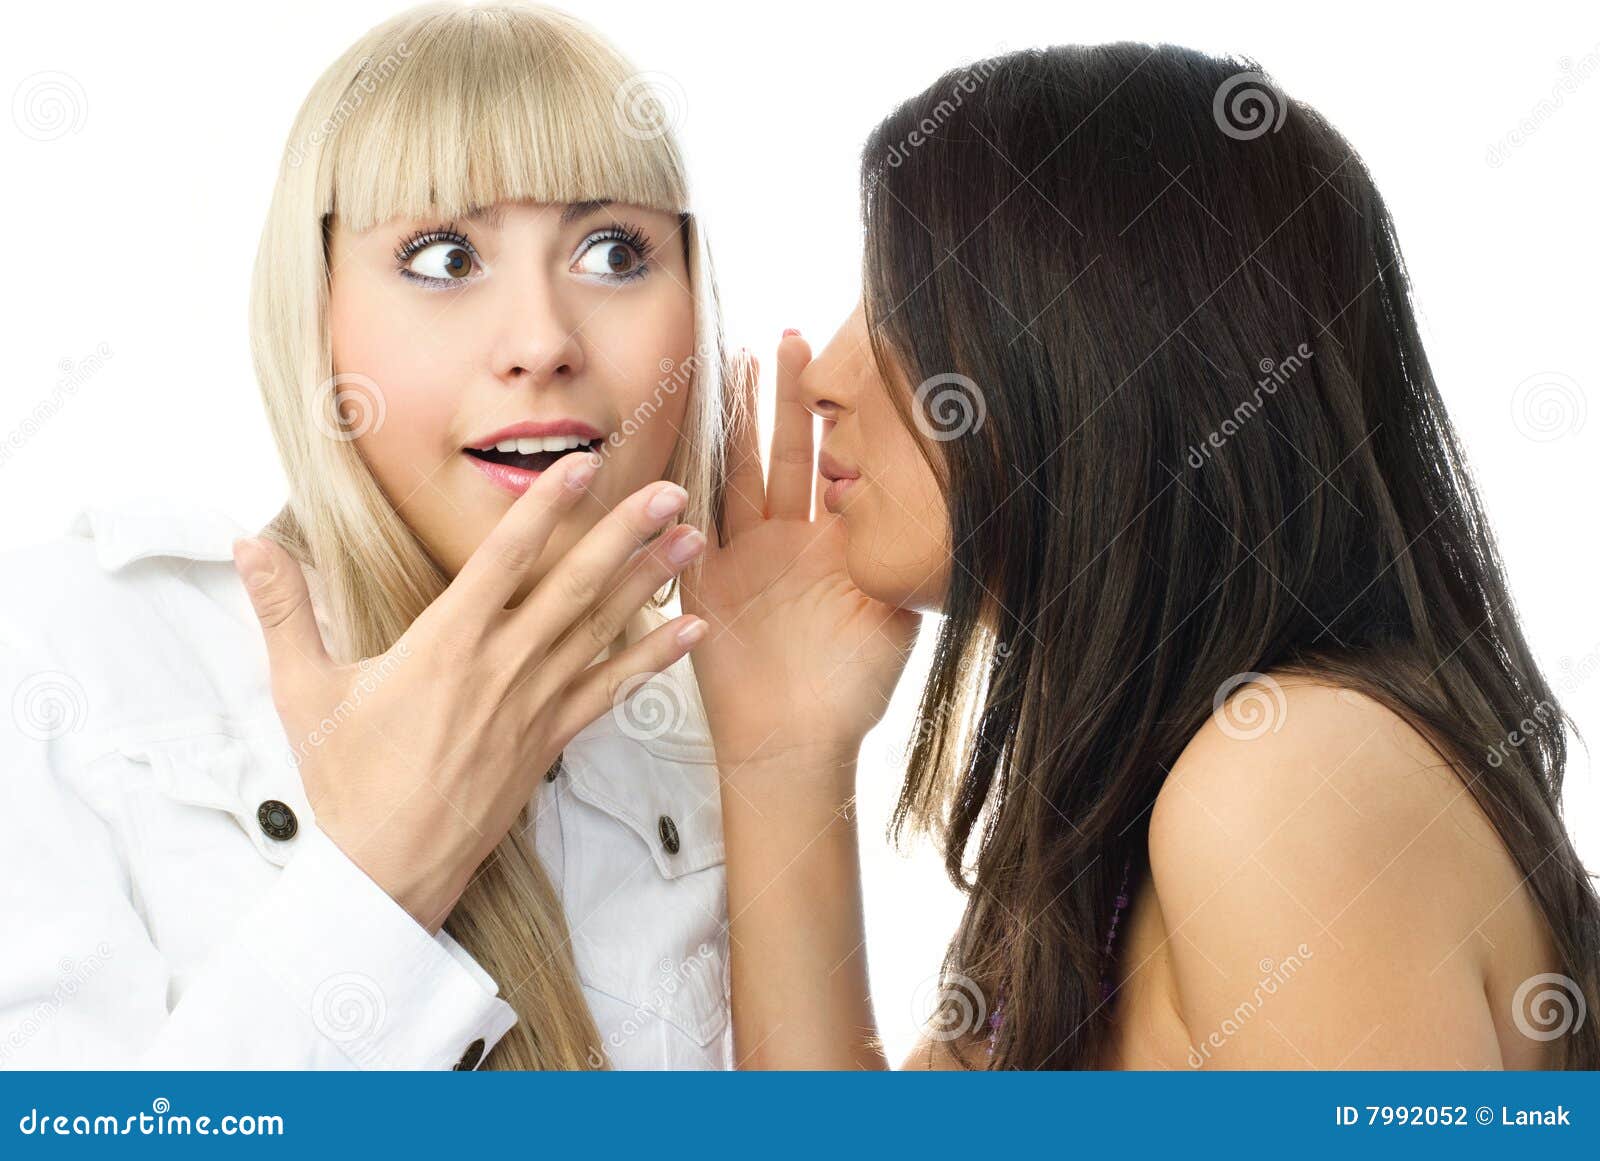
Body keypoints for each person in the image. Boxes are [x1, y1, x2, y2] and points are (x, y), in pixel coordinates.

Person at [687, 43, 1600, 1069]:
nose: (824, 374)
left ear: (1102, 349)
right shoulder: (1122, 814)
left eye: (904, 307)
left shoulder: (1281, 780)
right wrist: (783, 751)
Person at [0, 1, 733, 1070]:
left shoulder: (704, 715)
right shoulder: (65, 650)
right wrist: (379, 872)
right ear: (316, 304)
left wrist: (798, 759)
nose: (542, 343)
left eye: (614, 250)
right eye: (443, 258)